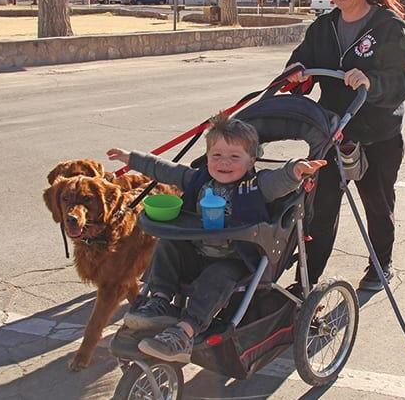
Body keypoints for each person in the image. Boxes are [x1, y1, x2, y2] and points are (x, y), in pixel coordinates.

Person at [106, 117, 326, 362]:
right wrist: (131, 158)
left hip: (235, 259)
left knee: (217, 276)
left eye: (235, 157)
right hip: (198, 251)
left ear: (252, 160)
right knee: (168, 244)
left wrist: (296, 170)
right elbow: (165, 169)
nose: (224, 162)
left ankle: (185, 332)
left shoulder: (256, 185)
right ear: (207, 156)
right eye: (217, 155)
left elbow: (279, 180)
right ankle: (158, 302)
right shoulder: (198, 180)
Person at [284, 0, 405, 291]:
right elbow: (299, 63)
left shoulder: (388, 27)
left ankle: (381, 264)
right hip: (332, 134)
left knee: (377, 205)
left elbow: (402, 82)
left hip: (378, 137)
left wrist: (371, 82)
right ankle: (306, 283)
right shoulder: (323, 27)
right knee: (320, 210)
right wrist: (297, 73)